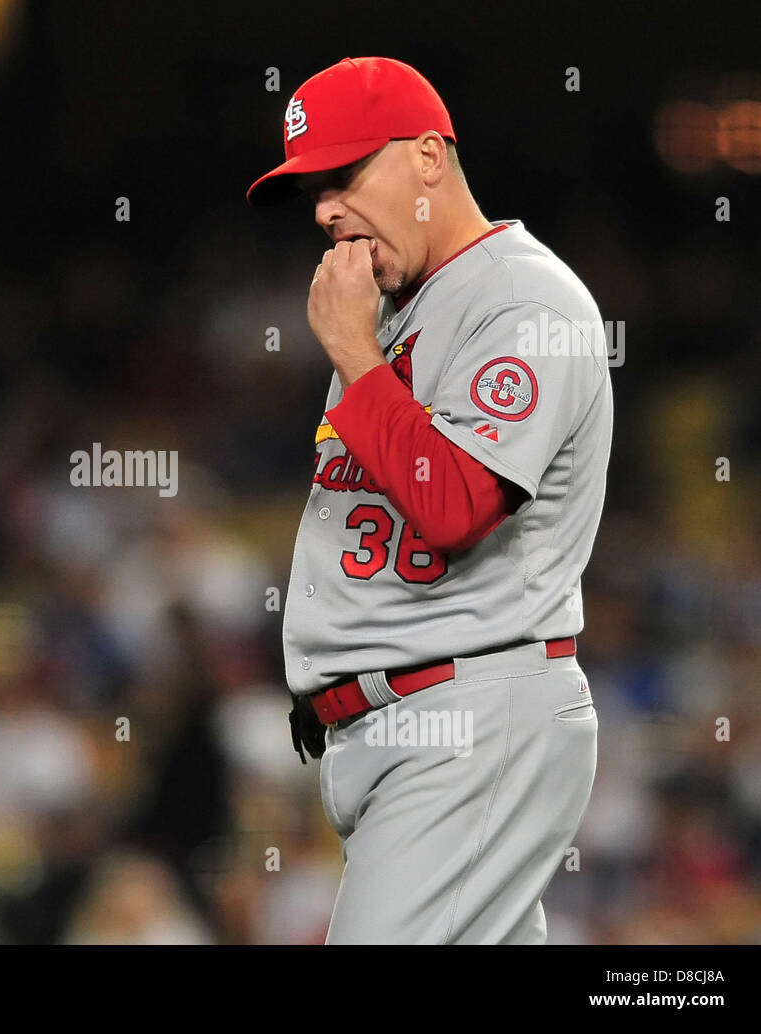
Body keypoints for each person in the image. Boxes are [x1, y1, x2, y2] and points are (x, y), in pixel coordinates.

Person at [247, 56, 613, 944]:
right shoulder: (399, 303)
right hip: (402, 726)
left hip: (468, 717)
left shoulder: (524, 300)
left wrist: (356, 356)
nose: (326, 209)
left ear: (427, 156)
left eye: (344, 175)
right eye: (313, 191)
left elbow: (454, 506)